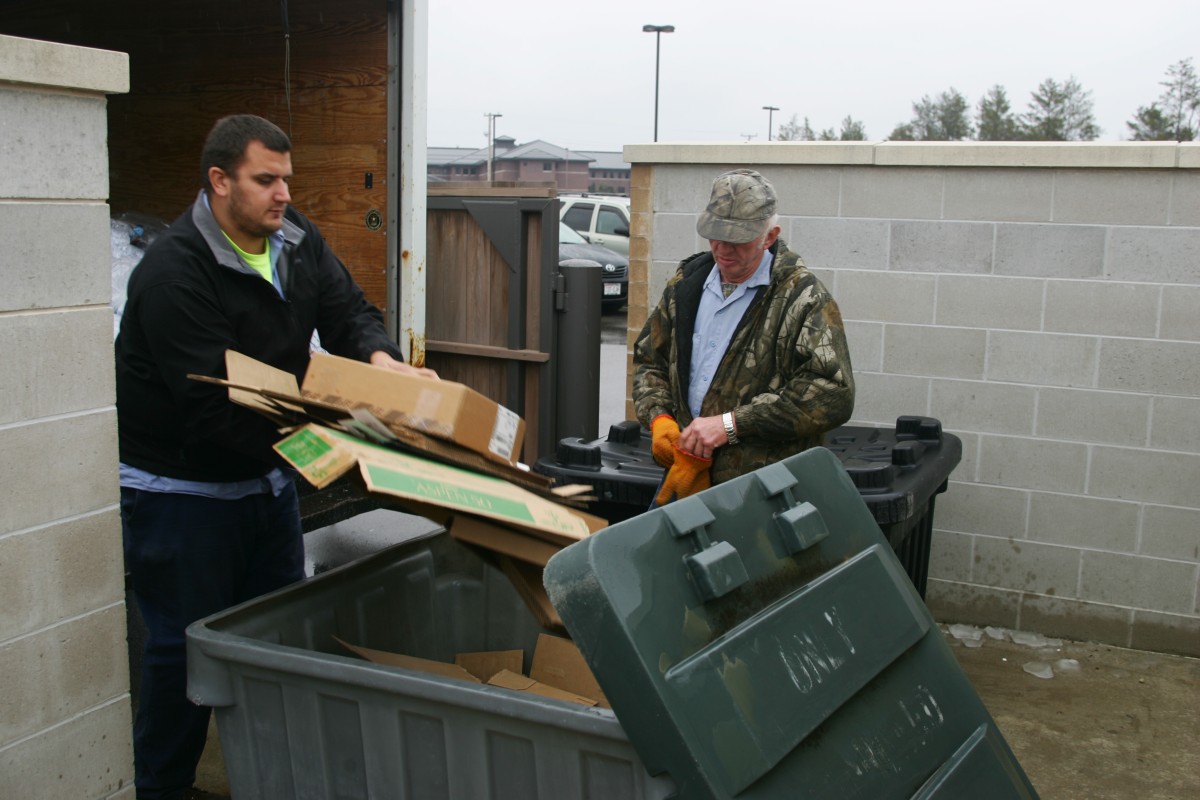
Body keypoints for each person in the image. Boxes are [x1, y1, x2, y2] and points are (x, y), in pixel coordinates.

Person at [115, 114, 435, 800]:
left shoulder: (294, 237)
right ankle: (164, 787)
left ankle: (266, 780)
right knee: (185, 659)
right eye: (266, 180)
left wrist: (380, 361)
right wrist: (340, 444)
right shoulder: (174, 273)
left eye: (287, 178)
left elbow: (348, 310)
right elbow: (215, 412)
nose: (283, 193)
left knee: (275, 645)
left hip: (263, 487)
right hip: (182, 496)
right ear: (220, 182)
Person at [633, 168, 854, 503]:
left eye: (738, 239)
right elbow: (651, 361)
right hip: (687, 476)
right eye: (715, 235)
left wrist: (731, 425)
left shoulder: (803, 298)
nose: (723, 249)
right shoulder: (686, 286)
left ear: (770, 236)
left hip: (762, 495)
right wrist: (660, 418)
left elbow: (833, 393)